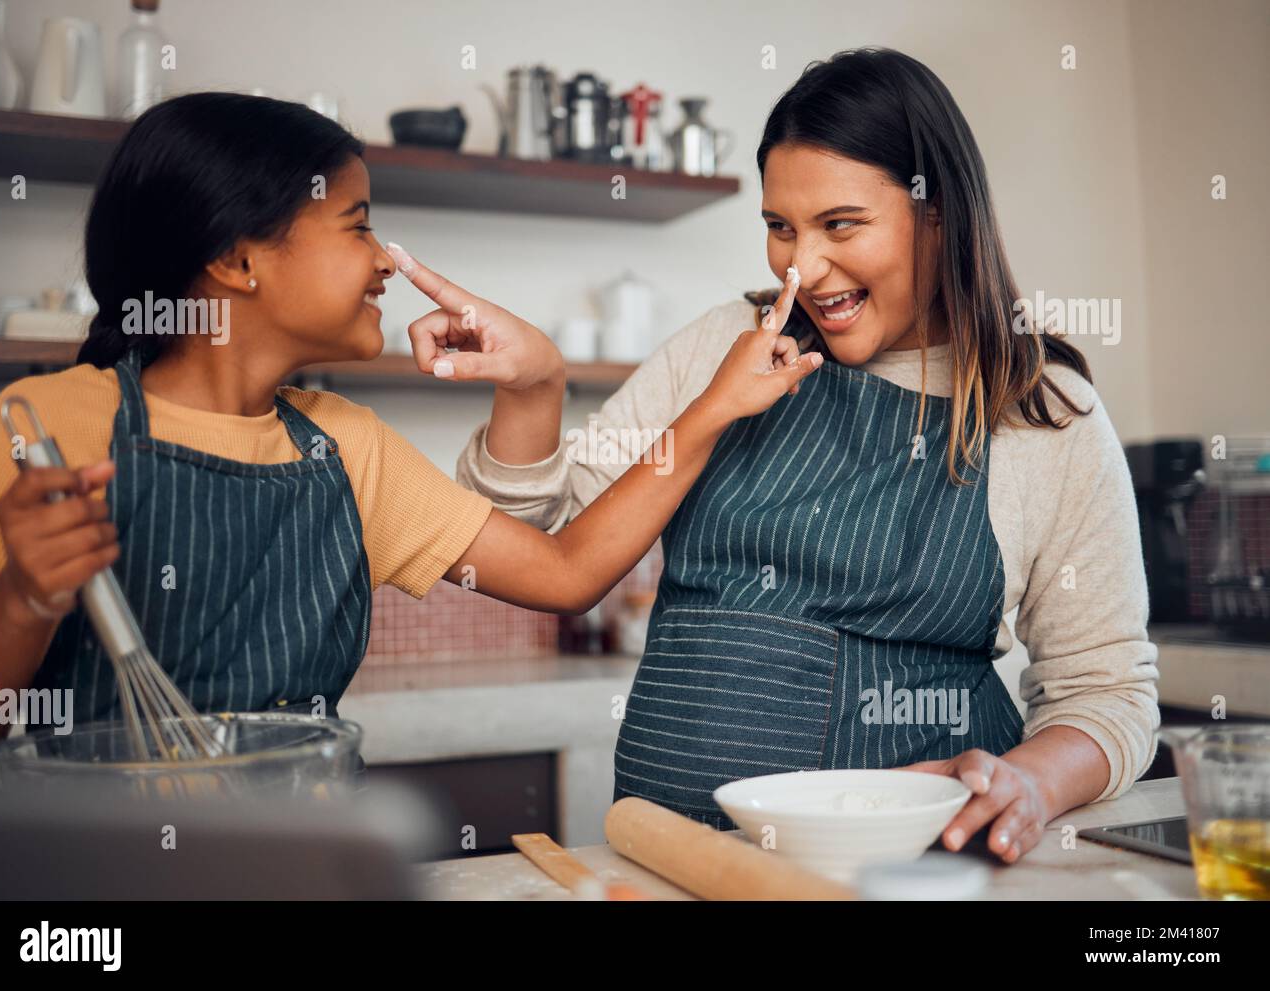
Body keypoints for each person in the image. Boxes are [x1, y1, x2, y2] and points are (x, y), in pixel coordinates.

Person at [419, 49, 1160, 864]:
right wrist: (532, 387)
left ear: (939, 212)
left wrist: (1032, 782)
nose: (800, 267)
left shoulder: (1043, 414)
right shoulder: (721, 347)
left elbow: (1107, 692)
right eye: (780, 227)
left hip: (918, 871)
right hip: (677, 863)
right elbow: (532, 541)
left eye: (840, 225)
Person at [0, 92, 821, 772]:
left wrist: (573, 382)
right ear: (237, 260)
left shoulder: (349, 445)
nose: (385, 260)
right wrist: (26, 597)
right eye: (357, 224)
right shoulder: (53, 425)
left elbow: (568, 574)